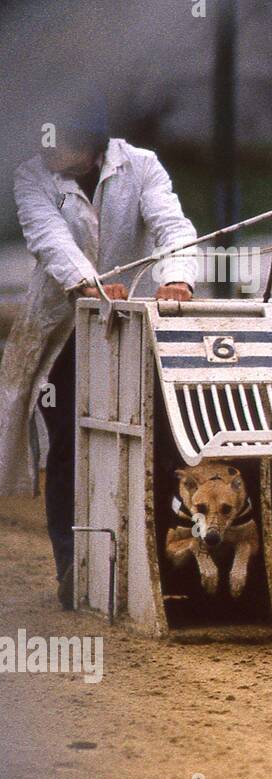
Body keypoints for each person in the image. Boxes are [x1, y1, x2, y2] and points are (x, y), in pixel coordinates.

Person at [0, 96, 198, 608]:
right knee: (69, 439)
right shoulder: (32, 178)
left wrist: (175, 278)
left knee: (159, 439)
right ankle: (73, 564)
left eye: (57, 140)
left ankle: (164, 558)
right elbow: (48, 241)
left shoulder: (143, 165)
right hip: (65, 327)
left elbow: (172, 227)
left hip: (134, 325)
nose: (46, 149)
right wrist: (88, 286)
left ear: (90, 145)